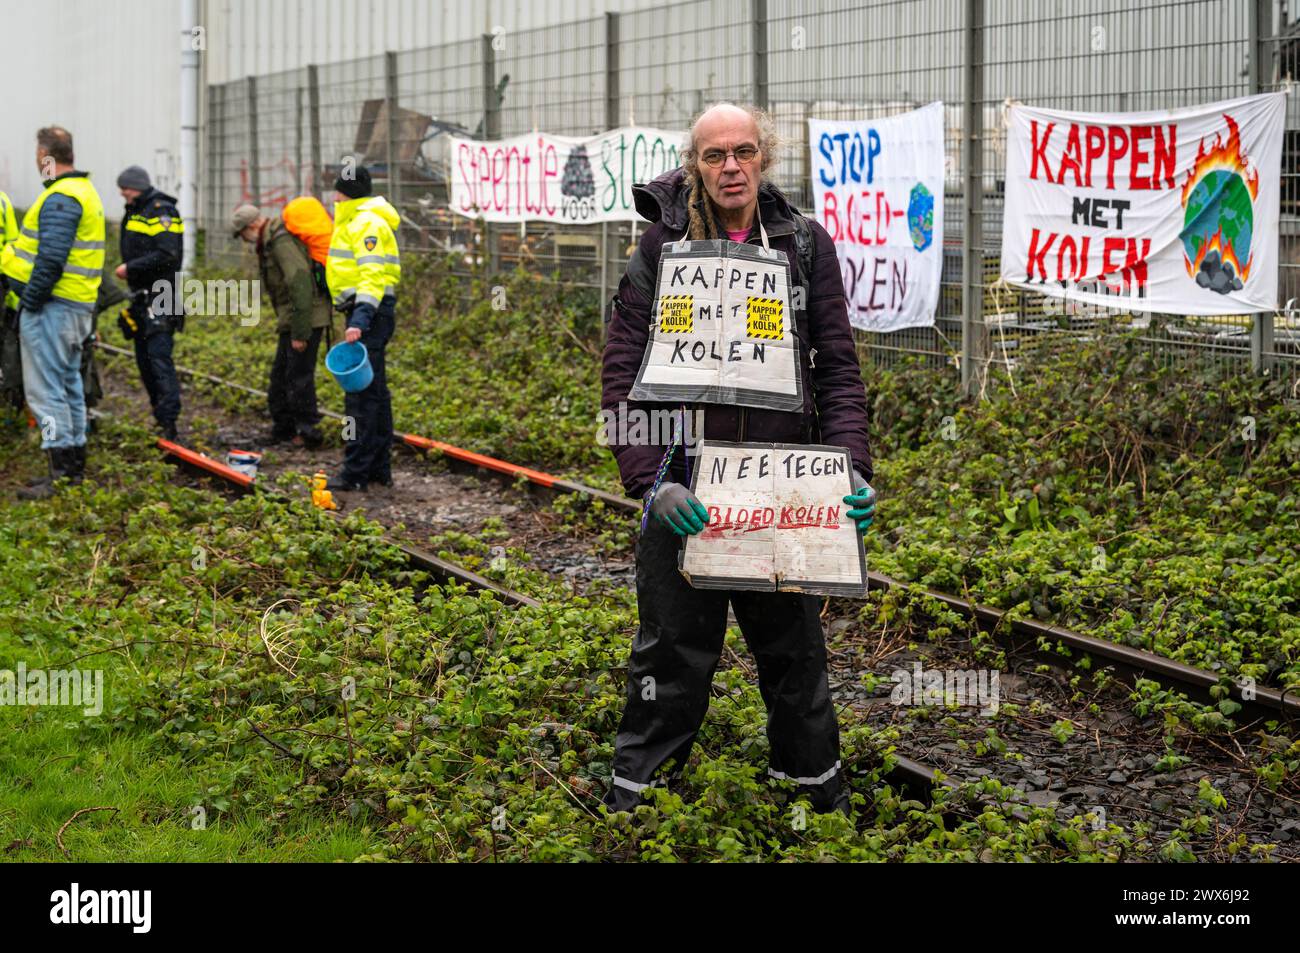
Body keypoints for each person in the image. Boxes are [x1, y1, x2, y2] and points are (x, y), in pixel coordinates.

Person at [600, 103, 878, 816]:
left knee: (795, 655)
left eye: (744, 152)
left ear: (765, 158)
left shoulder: (805, 246)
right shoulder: (658, 250)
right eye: (715, 155)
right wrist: (648, 482)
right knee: (670, 652)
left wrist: (850, 464)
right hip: (685, 484)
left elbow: (839, 370)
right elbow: (619, 372)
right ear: (694, 164)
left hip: (782, 490)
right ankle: (638, 802)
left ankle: (814, 799)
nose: (731, 166)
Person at [2, 127, 105, 499]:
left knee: (46, 395)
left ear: (45, 156)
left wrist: (30, 301)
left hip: (52, 309)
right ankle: (72, 468)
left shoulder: (61, 197)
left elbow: (51, 259)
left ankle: (58, 472)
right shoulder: (82, 192)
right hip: (73, 308)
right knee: (68, 388)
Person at [323, 163, 400, 491]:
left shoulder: (364, 222)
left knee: (360, 396)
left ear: (344, 193)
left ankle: (355, 472)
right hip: (366, 312)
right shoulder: (356, 219)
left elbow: (372, 276)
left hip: (368, 313)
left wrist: (359, 319)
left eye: (337, 189)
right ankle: (378, 469)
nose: (333, 195)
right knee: (375, 393)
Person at [231, 203, 331, 448]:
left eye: (243, 234)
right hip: (295, 318)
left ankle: (309, 433)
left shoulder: (280, 241)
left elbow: (299, 282)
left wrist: (300, 332)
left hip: (306, 318)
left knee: (298, 377)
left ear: (252, 226)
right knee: (282, 375)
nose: (245, 241)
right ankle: (285, 429)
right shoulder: (271, 240)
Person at [114, 165, 183, 441]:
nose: (122, 194)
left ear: (136, 187)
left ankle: (169, 424)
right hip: (142, 297)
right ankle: (159, 414)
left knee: (158, 359)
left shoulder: (161, 210)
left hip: (161, 295)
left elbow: (168, 253)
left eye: (125, 189)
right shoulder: (137, 210)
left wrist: (131, 268)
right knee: (144, 360)